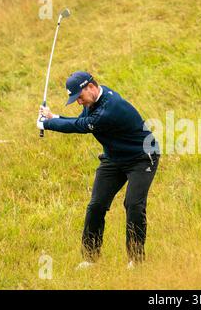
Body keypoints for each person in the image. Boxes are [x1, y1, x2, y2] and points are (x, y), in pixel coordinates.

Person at [37, 71, 160, 269]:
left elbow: (81, 126)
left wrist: (48, 123)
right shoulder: (93, 102)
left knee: (133, 205)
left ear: (91, 87)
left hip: (142, 158)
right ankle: (90, 258)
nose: (79, 102)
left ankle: (136, 261)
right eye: (76, 99)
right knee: (96, 205)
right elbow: (79, 120)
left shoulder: (111, 108)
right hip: (114, 158)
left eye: (80, 97)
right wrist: (53, 117)